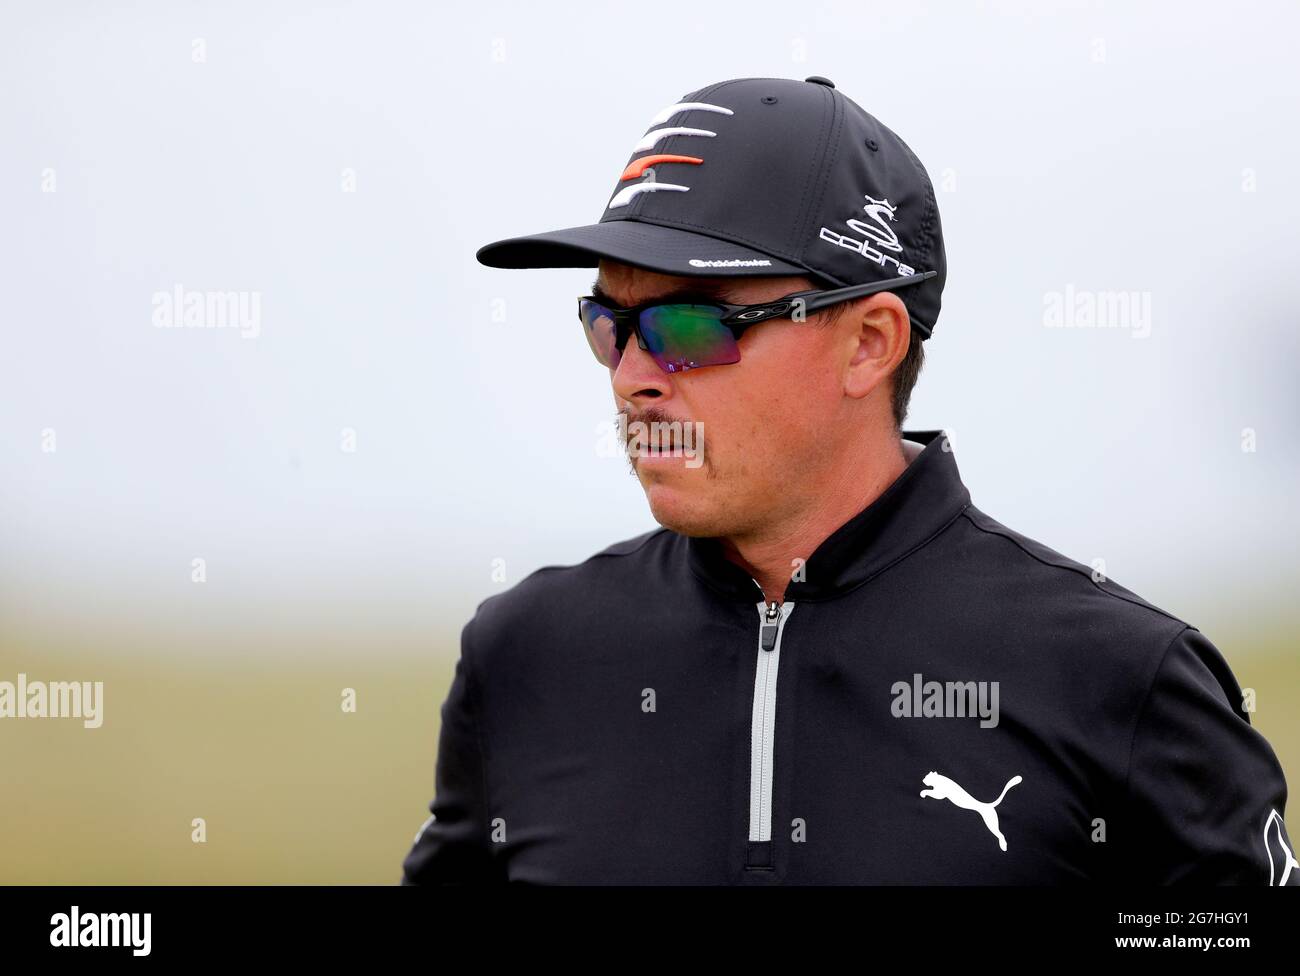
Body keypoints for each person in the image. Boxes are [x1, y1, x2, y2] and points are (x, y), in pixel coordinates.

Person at [401, 76, 1296, 884]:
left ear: (869, 342)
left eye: (688, 323)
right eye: (611, 322)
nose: (633, 373)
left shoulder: (1121, 678)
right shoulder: (524, 659)